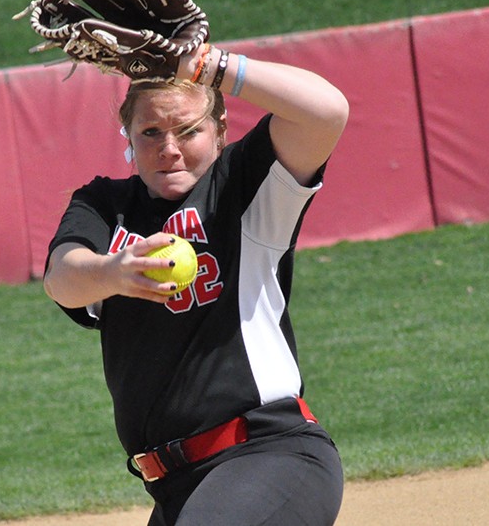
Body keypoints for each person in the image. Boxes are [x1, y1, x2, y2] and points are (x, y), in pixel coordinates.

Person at [43, 41, 349, 525]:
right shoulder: (105, 205)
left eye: (188, 130)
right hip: (176, 488)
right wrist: (113, 271)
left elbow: (327, 111)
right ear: (127, 133)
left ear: (219, 129)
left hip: (269, 455)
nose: (169, 148)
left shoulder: (243, 187)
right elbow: (62, 279)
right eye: (150, 132)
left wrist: (205, 65)